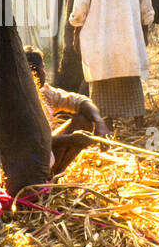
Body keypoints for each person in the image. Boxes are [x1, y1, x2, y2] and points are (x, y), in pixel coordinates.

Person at [69, 0, 155, 124]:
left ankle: (105, 124)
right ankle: (139, 123)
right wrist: (145, 27)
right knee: (130, 75)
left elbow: (81, 2)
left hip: (99, 36)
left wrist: (76, 28)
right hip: (128, 36)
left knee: (102, 78)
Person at [24, 46, 110, 176]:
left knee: (83, 120)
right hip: (27, 163)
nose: (45, 73)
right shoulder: (20, 100)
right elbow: (33, 143)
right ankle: (43, 178)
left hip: (46, 151)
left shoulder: (45, 93)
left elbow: (80, 101)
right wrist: (69, 140)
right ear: (33, 72)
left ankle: (53, 176)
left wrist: (99, 123)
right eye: (42, 68)